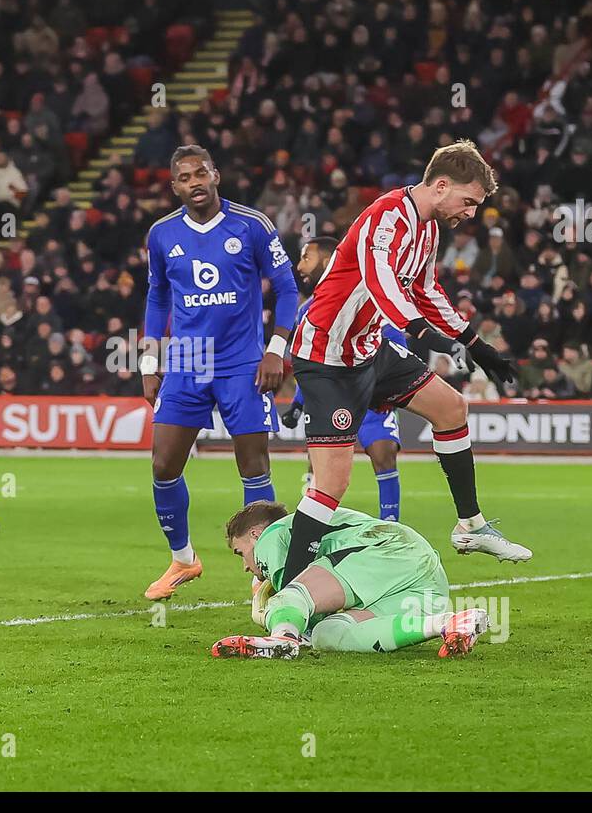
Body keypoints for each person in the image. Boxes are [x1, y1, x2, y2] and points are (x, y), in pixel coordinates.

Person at [283, 140, 530, 593]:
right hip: (327, 356)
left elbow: (426, 291)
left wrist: (475, 343)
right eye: (469, 201)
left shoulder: (429, 230)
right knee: (330, 486)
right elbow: (379, 282)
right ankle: (288, 596)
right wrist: (416, 329)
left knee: (452, 408)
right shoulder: (386, 216)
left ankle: (470, 526)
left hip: (370, 348)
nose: (471, 213)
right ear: (440, 186)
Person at [140, 145, 298, 600]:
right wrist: (150, 361)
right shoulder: (161, 234)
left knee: (253, 466)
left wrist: (275, 350)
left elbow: (286, 288)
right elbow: (157, 299)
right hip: (187, 362)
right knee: (163, 464)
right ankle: (184, 560)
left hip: (242, 362)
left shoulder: (251, 225)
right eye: (184, 177)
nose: (194, 182)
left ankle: (265, 569)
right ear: (174, 186)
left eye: (201, 173)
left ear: (216, 175)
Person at [210, 501, 490, 660]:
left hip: (386, 549)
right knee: (328, 634)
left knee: (290, 597)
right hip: (426, 577)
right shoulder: (300, 531)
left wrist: (269, 612)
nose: (245, 566)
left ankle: (281, 641)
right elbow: (314, 623)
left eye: (240, 552)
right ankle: (449, 623)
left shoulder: (272, 535)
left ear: (256, 535)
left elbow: (292, 593)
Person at [281, 236, 403, 520]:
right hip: (331, 397)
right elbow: (307, 361)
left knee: (384, 455)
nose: (299, 266)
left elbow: (396, 342)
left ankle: (390, 526)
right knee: (323, 470)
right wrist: (298, 405)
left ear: (326, 261)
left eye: (306, 258)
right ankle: (315, 520)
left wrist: (389, 389)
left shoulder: (369, 295)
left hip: (372, 399)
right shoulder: (306, 310)